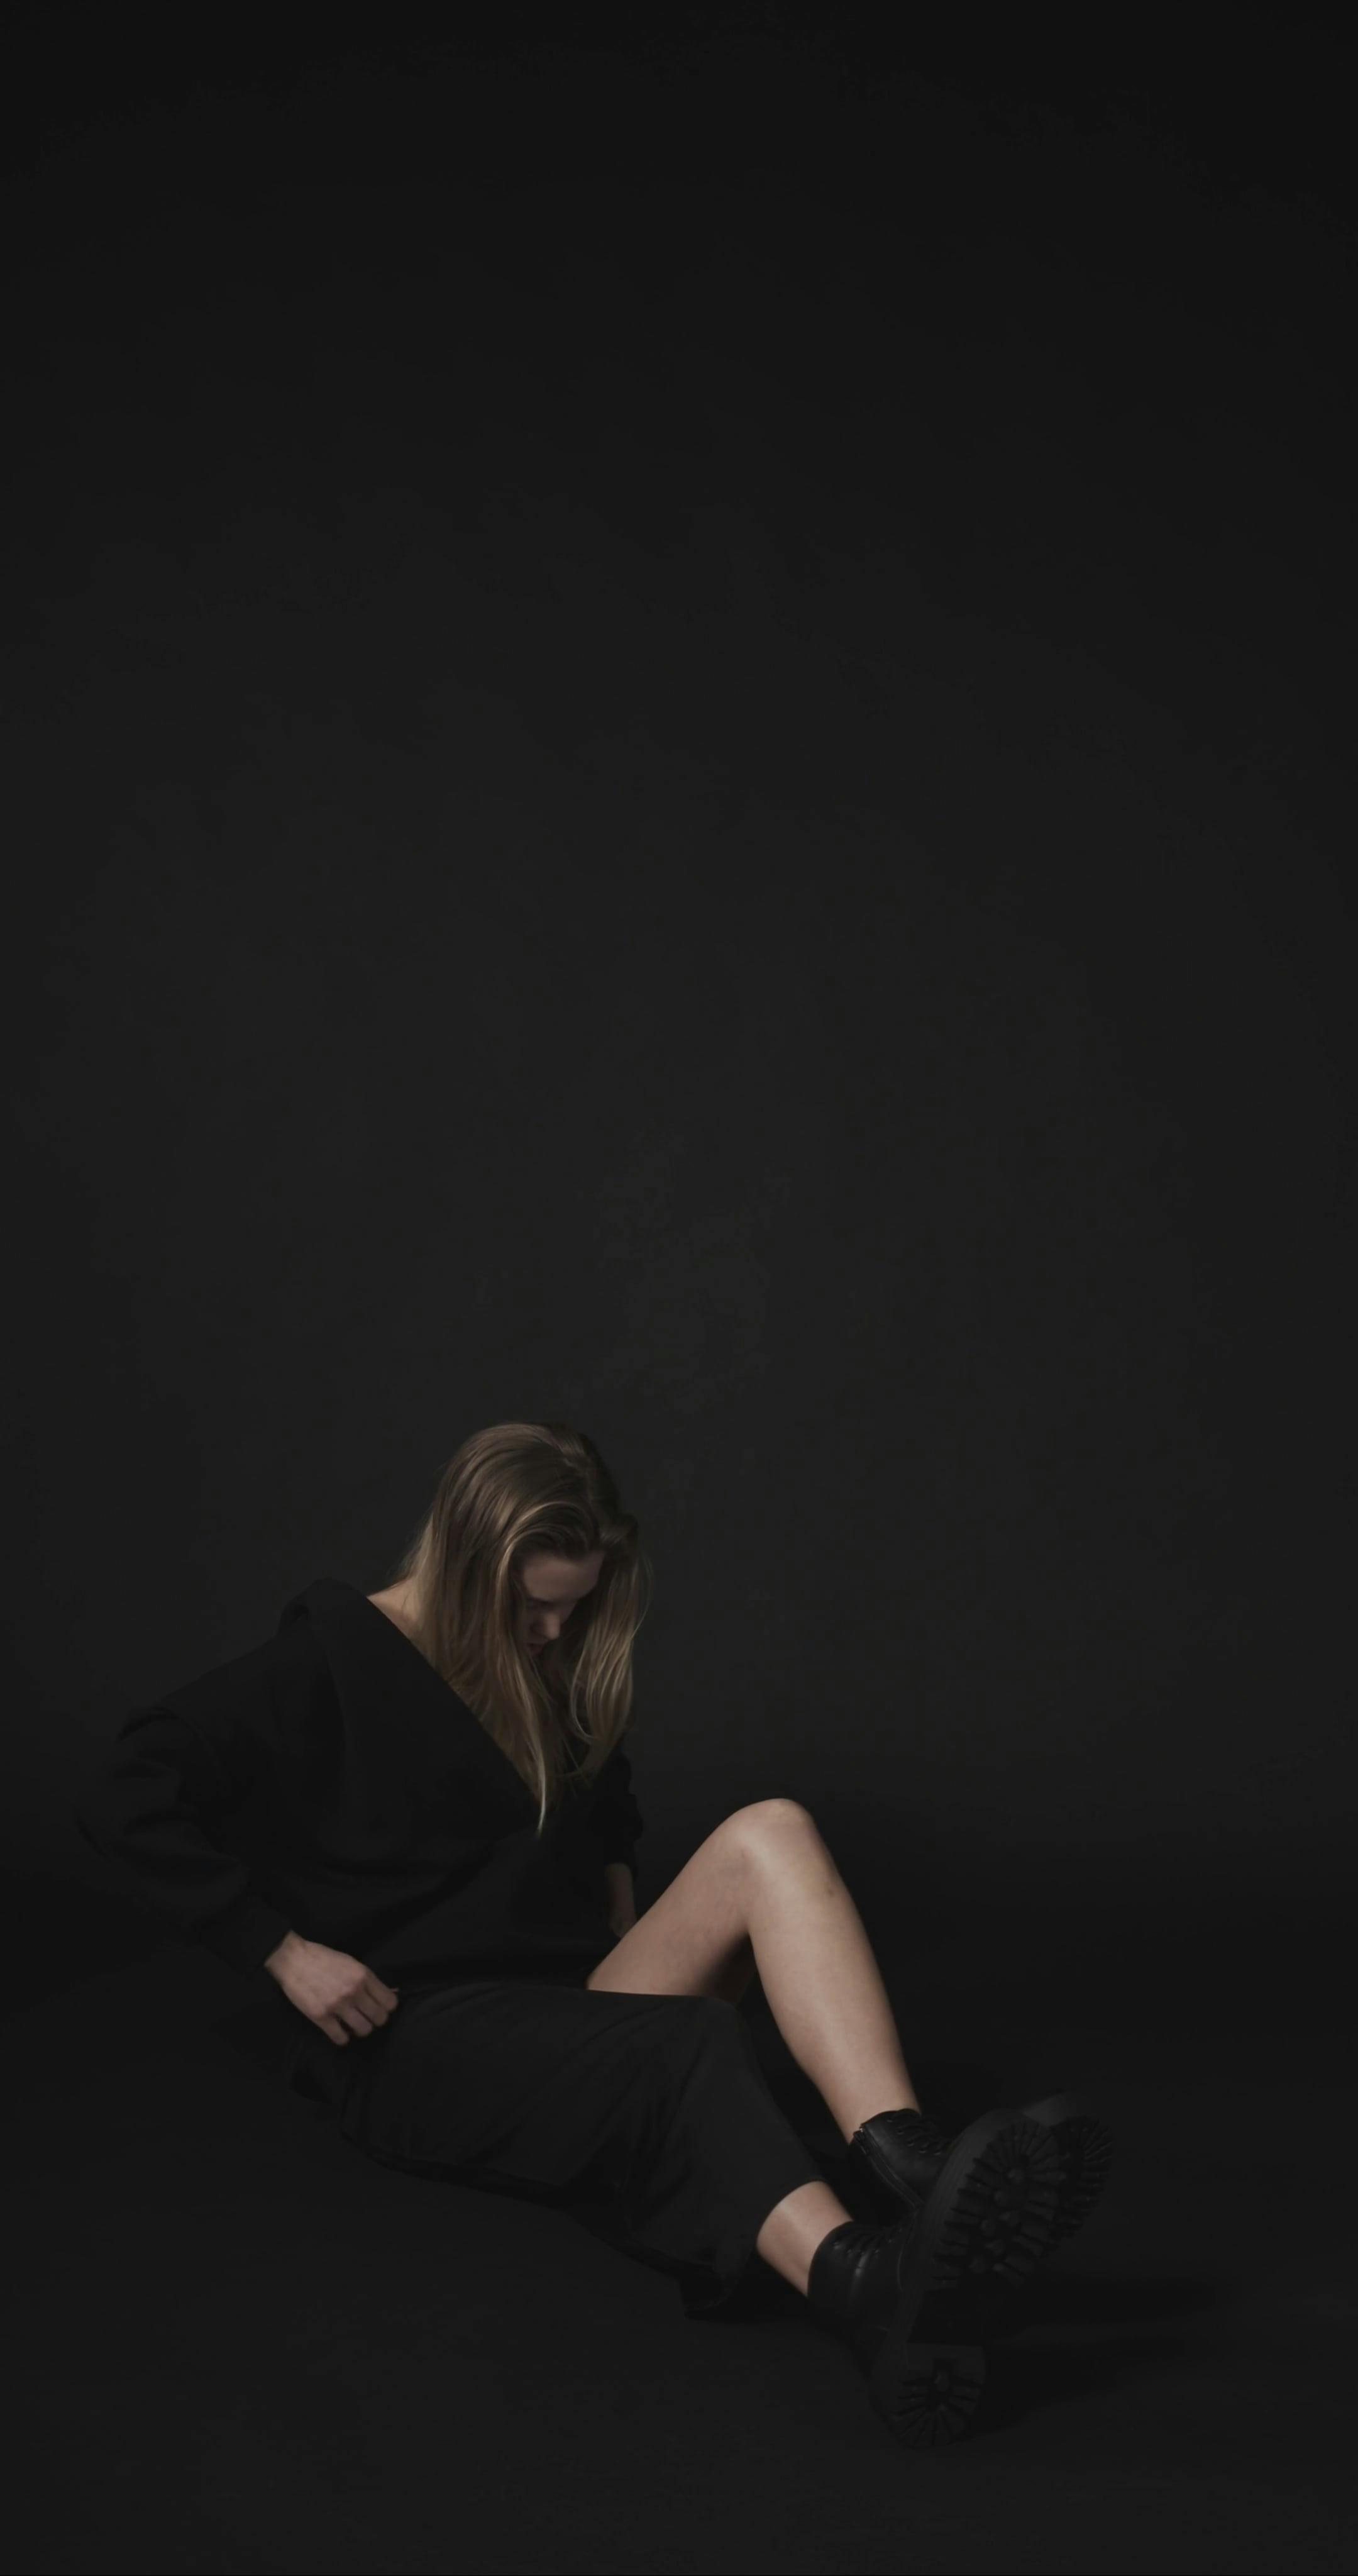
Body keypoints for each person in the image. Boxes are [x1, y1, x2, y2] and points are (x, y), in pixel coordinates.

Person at [73, 1419, 1111, 2450]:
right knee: (691, 2049)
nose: (557, 1635)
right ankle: (867, 2279)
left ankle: (915, 2176)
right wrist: (281, 1950)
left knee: (773, 1834)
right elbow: (128, 1792)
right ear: (470, 1567)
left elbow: (600, 1792)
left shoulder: (540, 1655)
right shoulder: (326, 1661)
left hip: (565, 2005)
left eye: (578, 1608)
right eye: (537, 1609)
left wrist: (619, 1891)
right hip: (415, 2035)